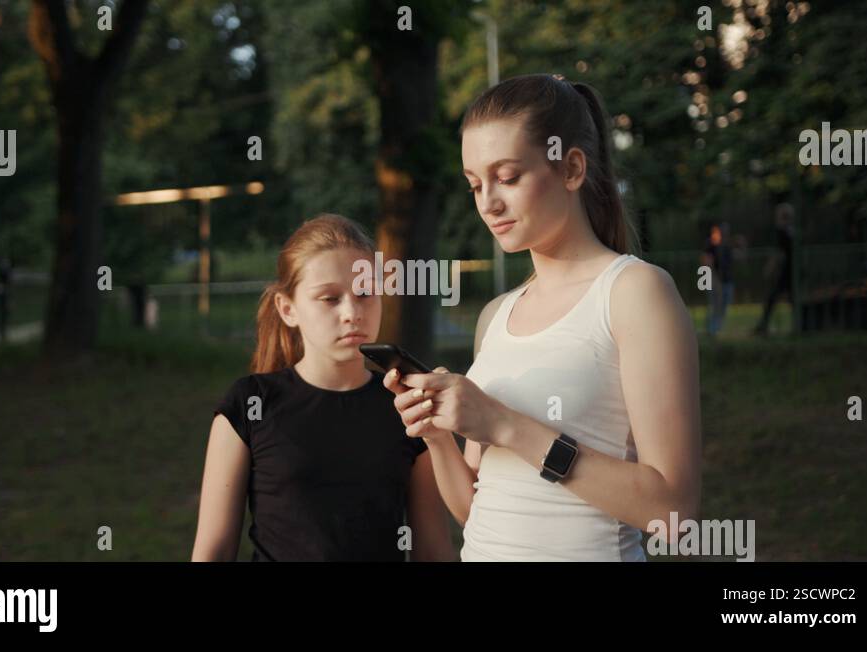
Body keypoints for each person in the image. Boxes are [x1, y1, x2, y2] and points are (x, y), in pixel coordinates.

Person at [383, 73, 702, 561]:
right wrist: (439, 436)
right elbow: (476, 509)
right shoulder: (496, 316)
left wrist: (506, 425)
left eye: (507, 178)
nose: (488, 203)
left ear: (571, 168)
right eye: (474, 185)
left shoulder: (635, 293)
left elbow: (674, 514)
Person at [191, 214, 453, 561]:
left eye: (365, 293)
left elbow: (434, 551)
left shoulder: (408, 407)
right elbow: (213, 551)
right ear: (287, 309)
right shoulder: (249, 404)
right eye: (329, 298)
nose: (352, 312)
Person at [754, 204, 795, 336]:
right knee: (791, 299)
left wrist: (769, 268)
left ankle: (763, 326)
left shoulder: (783, 232)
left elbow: (779, 253)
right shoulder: (791, 231)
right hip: (791, 272)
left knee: (773, 299)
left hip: (787, 272)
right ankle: (800, 325)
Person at [702, 222, 734, 336]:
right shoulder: (711, 244)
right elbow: (706, 263)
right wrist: (714, 281)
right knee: (715, 304)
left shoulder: (728, 245)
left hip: (726, 280)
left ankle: (716, 329)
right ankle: (711, 330)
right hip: (713, 280)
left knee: (723, 305)